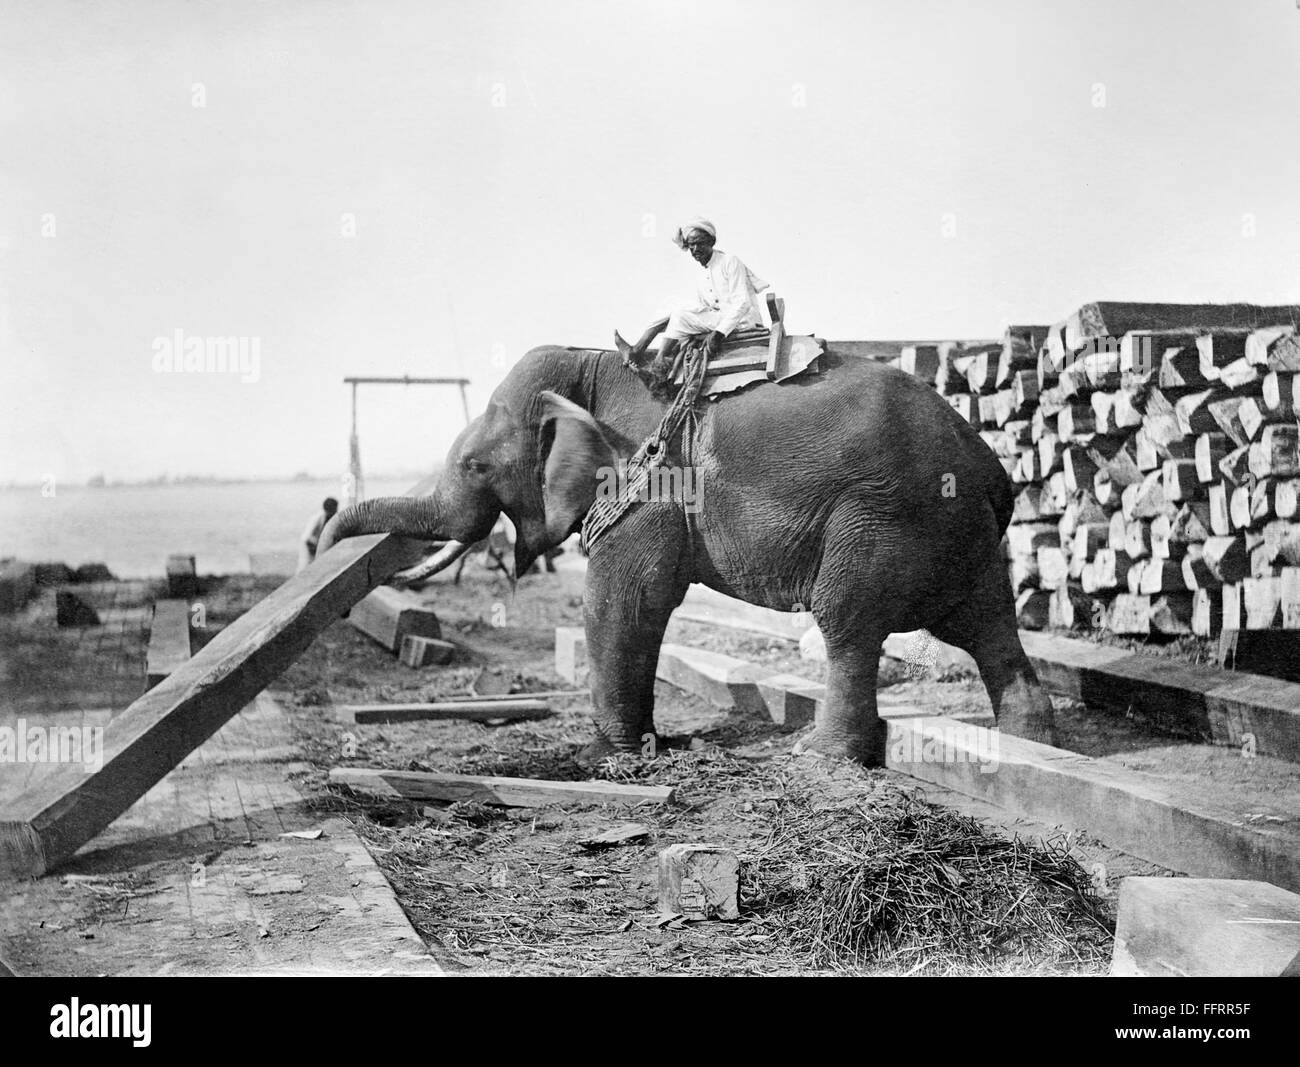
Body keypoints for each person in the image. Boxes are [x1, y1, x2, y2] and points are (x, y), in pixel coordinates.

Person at [627, 217, 771, 373]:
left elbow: (742, 303)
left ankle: (658, 362)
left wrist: (719, 333)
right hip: (719, 318)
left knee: (680, 315)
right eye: (691, 245)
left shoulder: (729, 261)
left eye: (700, 243)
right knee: (672, 303)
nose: (695, 249)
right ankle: (637, 350)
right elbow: (707, 307)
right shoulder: (702, 275)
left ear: (711, 242)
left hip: (741, 321)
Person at [297, 496, 339, 571]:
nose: (336, 510)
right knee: (305, 568)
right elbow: (306, 538)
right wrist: (317, 549)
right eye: (335, 508)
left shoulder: (331, 517)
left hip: (316, 546)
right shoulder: (317, 518)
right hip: (308, 545)